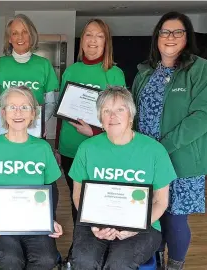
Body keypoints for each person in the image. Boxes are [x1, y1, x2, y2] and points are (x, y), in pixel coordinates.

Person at [132, 12, 207, 270]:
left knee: (174, 219)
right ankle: (156, 260)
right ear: (156, 37)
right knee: (152, 217)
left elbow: (206, 115)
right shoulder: (145, 72)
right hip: (147, 159)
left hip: (182, 161)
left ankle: (175, 265)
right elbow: (134, 112)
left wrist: (164, 147)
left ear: (187, 37)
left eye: (177, 32)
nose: (170, 37)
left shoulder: (201, 70)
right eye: (165, 32)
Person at [68, 87, 176, 270]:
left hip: (143, 227)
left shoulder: (154, 151)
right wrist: (94, 225)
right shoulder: (87, 148)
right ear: (100, 118)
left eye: (120, 109)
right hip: (94, 223)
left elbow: (160, 201)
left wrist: (135, 227)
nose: (113, 116)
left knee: (118, 264)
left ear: (131, 116)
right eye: (106, 111)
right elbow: (78, 196)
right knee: (84, 261)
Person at [54, 18, 126, 262]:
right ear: (81, 40)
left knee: (99, 201)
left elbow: (122, 117)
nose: (92, 41)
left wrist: (94, 133)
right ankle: (80, 247)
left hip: (100, 150)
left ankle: (103, 247)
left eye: (99, 36)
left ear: (106, 42)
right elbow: (62, 113)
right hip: (70, 150)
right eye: (88, 35)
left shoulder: (114, 73)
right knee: (77, 204)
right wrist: (56, 146)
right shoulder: (72, 71)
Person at [0, 87, 63, 270]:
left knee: (46, 259)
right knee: (11, 259)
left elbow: (51, 188)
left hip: (35, 223)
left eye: (24, 107)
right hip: (0, 223)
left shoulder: (42, 148)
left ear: (33, 113)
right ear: (3, 113)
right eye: (12, 107)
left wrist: (49, 219)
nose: (18, 113)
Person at [0, 14, 58, 113]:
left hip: (35, 126)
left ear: (31, 35)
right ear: (9, 39)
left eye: (24, 32)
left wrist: (37, 123)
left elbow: (51, 103)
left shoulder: (44, 65)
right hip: (5, 126)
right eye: (14, 33)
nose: (20, 37)